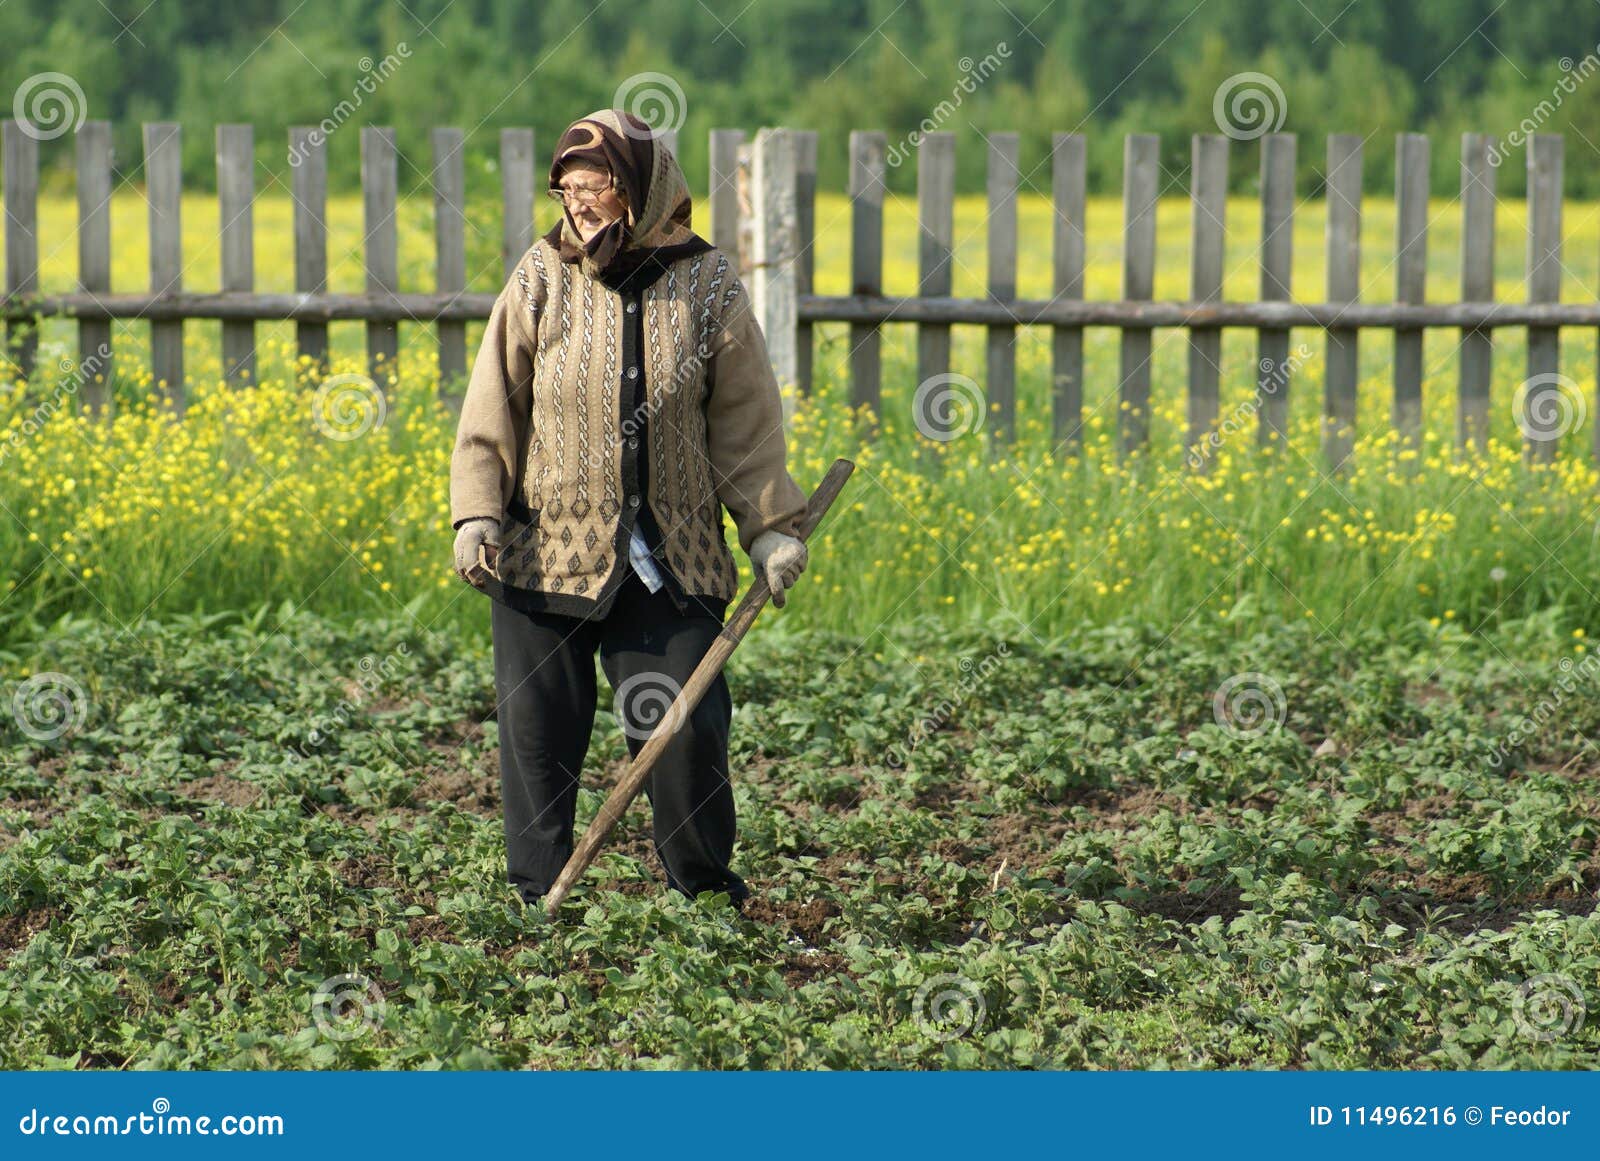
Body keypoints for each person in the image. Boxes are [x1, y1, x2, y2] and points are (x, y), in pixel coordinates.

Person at [449, 108, 809, 913]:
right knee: (538, 737)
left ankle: (707, 896)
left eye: (596, 187)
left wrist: (771, 528)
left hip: (672, 557)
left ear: (641, 189)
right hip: (545, 554)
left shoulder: (709, 282)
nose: (578, 205)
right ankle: (536, 898)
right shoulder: (541, 275)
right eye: (567, 190)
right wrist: (477, 511)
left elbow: (745, 422)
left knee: (685, 729)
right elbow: (491, 406)